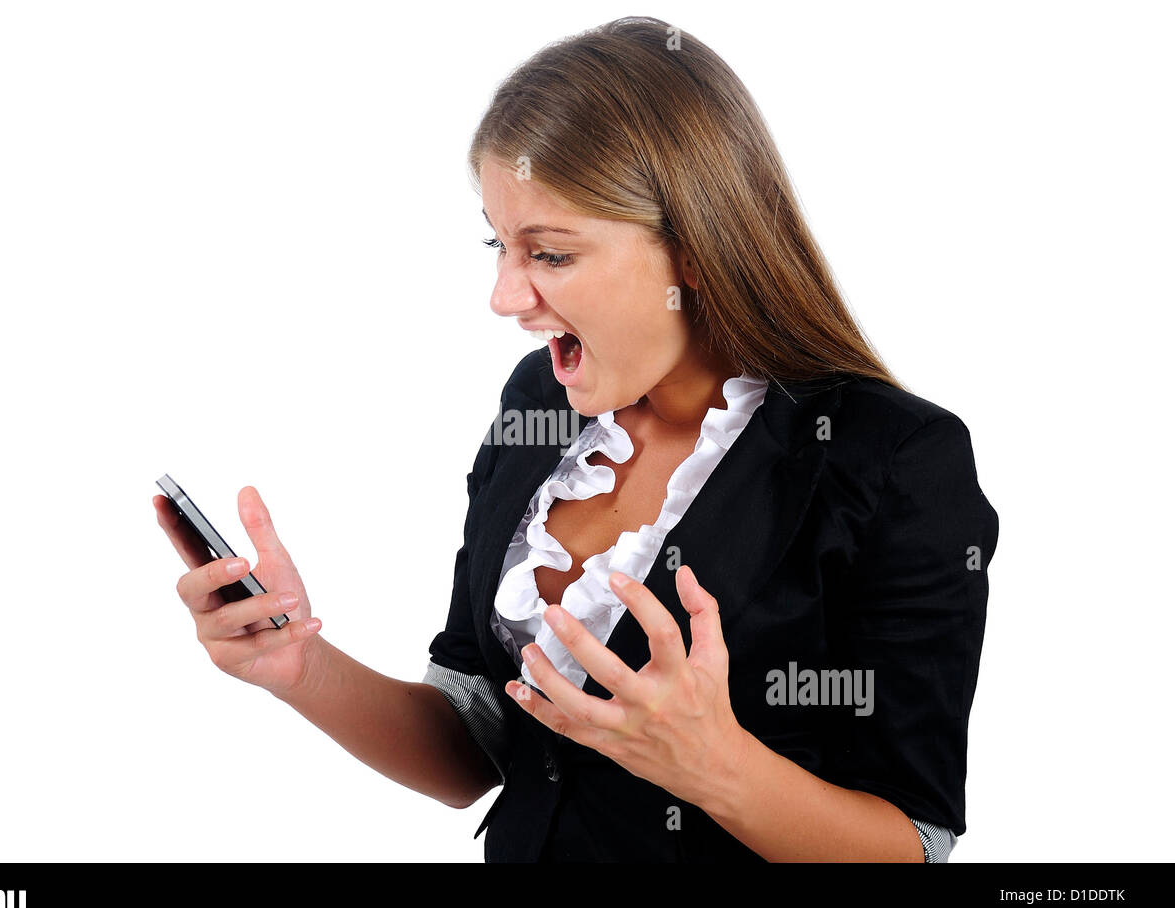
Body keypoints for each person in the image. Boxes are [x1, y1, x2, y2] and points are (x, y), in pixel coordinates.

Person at [153, 16, 998, 862]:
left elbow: (915, 840)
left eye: (549, 254)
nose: (504, 295)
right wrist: (300, 665)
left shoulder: (894, 461)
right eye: (498, 242)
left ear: (697, 249)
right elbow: (477, 737)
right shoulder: (541, 405)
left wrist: (715, 767)